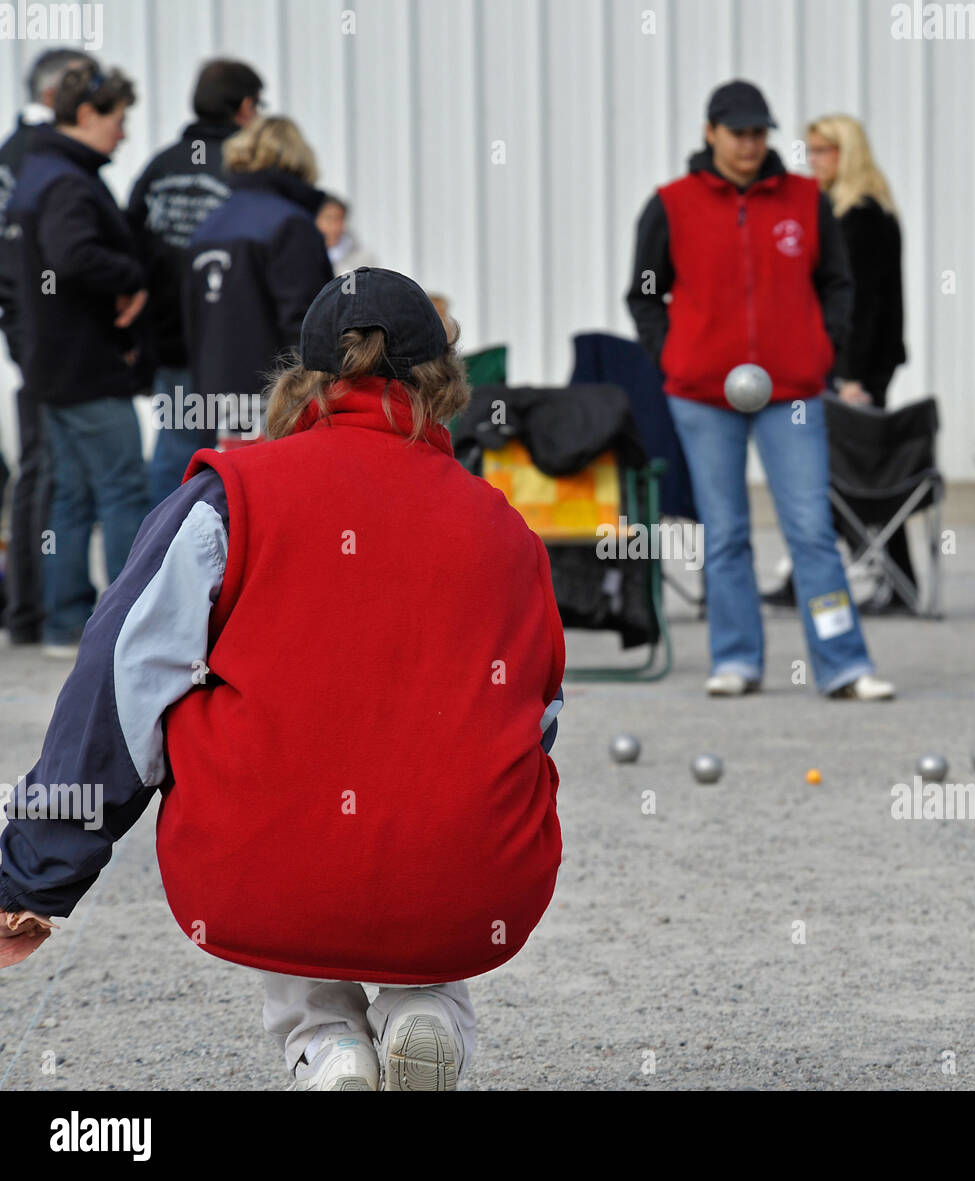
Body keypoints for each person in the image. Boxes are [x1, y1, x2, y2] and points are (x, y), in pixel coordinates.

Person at [0, 267, 566, 1092]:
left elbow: (121, 681)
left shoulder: (229, 498)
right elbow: (539, 715)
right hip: (465, 882)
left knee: (251, 722)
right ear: (440, 385)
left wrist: (34, 871)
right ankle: (429, 1004)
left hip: (260, 878)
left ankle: (323, 1039)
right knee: (452, 755)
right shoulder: (504, 526)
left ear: (304, 382)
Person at [627, 79, 894, 701]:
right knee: (723, 533)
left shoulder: (804, 200)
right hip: (702, 394)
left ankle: (843, 662)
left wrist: (820, 350)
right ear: (710, 133)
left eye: (759, 132)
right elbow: (644, 292)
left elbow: (837, 283)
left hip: (792, 392)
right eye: (738, 132)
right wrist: (673, 356)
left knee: (809, 530)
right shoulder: (671, 203)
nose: (750, 144)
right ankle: (736, 659)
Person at [4, 63, 150, 658]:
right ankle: (124, 622)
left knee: (69, 492)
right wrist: (133, 276)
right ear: (86, 115)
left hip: (47, 362)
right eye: (118, 120)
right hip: (85, 363)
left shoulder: (35, 173)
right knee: (122, 487)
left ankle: (65, 621)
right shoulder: (66, 181)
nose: (123, 134)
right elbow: (73, 255)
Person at [767, 113, 912, 615]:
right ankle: (818, 575)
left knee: (855, 477)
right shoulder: (838, 211)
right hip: (840, 364)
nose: (813, 163)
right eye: (808, 152)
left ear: (845, 154)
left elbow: (865, 305)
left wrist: (852, 377)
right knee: (835, 476)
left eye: (822, 152)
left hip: (853, 368)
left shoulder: (861, 217)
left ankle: (896, 579)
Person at [126, 58, 264, 507]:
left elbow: (129, 248)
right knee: (246, 457)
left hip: (172, 340)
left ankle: (157, 559)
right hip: (236, 344)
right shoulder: (245, 173)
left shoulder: (160, 168)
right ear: (244, 107)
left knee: (175, 450)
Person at [0, 47, 97, 645]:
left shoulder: (24, 155)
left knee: (49, 470)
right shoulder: (37, 157)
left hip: (37, 338)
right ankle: (37, 613)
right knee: (51, 472)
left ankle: (34, 611)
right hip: (48, 342)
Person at [184, 116, 333, 444]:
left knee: (229, 487)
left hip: (213, 396)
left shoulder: (208, 226)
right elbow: (306, 324)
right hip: (273, 397)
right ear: (297, 159)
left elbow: (193, 322)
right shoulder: (290, 224)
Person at [316, 193, 377, 275]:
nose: (334, 227)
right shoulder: (304, 256)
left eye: (339, 219)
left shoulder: (363, 258)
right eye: (328, 219)